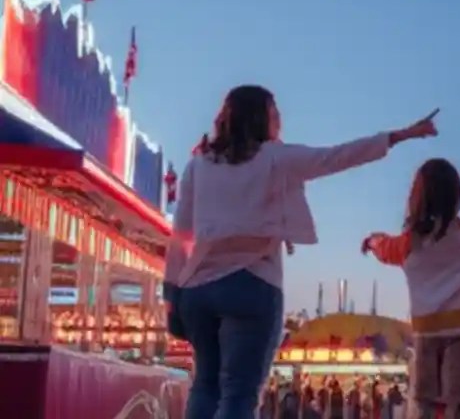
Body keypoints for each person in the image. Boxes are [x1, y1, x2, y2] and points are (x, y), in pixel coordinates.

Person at [163, 84, 439, 419]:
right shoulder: (276, 158)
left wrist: (172, 293)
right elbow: (337, 157)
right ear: (258, 118)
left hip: (199, 291)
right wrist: (399, 136)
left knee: (205, 386)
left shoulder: (199, 165)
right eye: (274, 111)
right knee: (239, 393)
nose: (280, 118)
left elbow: (181, 235)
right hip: (252, 283)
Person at [362, 158, 460, 419]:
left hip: (425, 334)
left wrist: (371, 240)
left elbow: (384, 248)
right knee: (459, 397)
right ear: (457, 195)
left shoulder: (409, 244)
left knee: (425, 397)